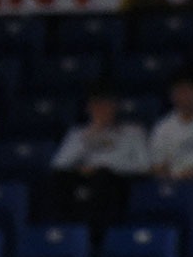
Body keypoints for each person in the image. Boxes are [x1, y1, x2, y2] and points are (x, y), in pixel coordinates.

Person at [46, 86, 149, 229]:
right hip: (82, 181)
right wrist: (87, 139)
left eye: (106, 105)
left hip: (117, 182)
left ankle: (96, 230)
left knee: (102, 177)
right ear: (89, 108)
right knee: (57, 181)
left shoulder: (133, 132)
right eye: (97, 105)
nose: (101, 110)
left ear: (115, 106)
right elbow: (58, 164)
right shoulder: (78, 133)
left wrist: (107, 167)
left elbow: (144, 166)